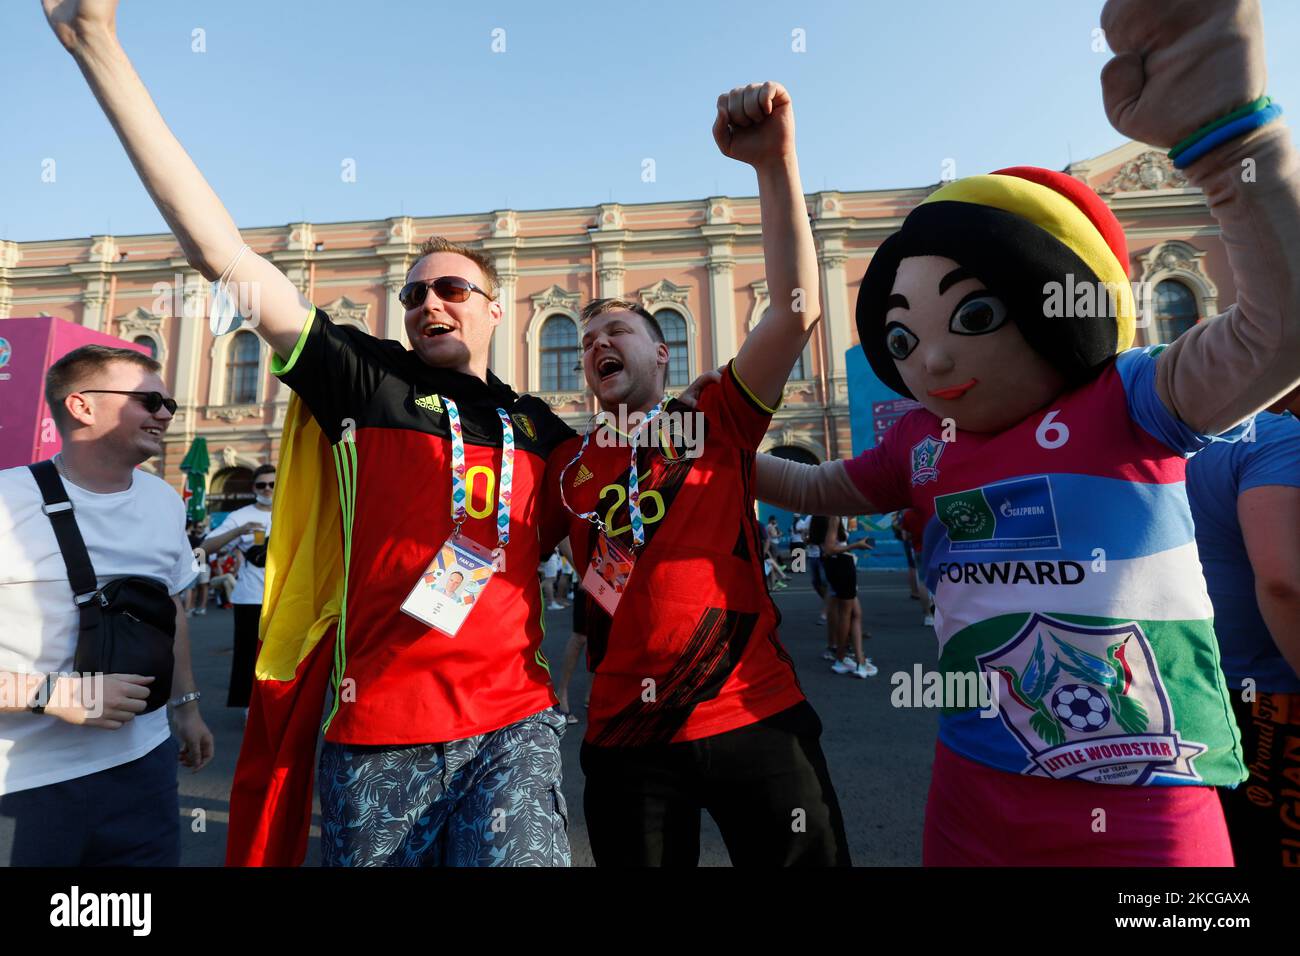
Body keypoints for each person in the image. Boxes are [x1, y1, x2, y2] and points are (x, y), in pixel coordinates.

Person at [755, 0, 1299, 864]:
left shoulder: (1131, 399)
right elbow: (820, 487)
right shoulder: (924, 442)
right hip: (972, 784)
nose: (931, 363)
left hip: (1150, 794)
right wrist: (712, 442)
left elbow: (1280, 332)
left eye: (970, 315)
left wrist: (1230, 145)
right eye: (903, 340)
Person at [42, 0, 581, 867]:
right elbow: (224, 256)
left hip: (513, 725)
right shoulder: (367, 381)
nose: (428, 301)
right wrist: (95, 45)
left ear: (493, 305)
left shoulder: (540, 428)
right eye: (412, 294)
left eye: (448, 286)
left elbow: (657, 494)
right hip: (378, 731)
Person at [542, 82, 850, 866]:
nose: (596, 344)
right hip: (625, 738)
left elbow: (792, 311)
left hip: (753, 711)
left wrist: (775, 163)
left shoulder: (712, 414)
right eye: (584, 342)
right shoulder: (568, 466)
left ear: (661, 354)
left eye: (617, 330)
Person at [0, 344, 214, 865]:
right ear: (82, 405)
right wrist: (52, 694)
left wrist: (185, 708)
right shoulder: (6, 500)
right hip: (25, 780)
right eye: (149, 399)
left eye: (169, 403)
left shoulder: (164, 499)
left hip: (146, 766)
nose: (164, 412)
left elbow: (170, 608)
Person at [1186, 396, 1300, 867]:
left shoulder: (1185, 436)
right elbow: (1282, 583)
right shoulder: (1282, 438)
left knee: (1228, 841)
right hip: (1274, 686)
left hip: (1193, 679)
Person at [202, 463, 274, 715]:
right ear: (254, 487)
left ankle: (277, 704)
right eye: (262, 484)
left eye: (273, 484)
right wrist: (239, 531)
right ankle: (249, 706)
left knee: (284, 655)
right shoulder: (240, 516)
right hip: (250, 598)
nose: (267, 489)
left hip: (285, 598)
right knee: (247, 656)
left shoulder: (292, 512)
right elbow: (206, 546)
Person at [812, 515, 876, 678]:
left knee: (855, 614)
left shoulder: (819, 515)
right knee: (847, 615)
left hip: (835, 566)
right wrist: (856, 545)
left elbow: (824, 547)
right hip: (842, 566)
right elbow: (830, 548)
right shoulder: (834, 516)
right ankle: (850, 660)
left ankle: (849, 658)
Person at [183, 518, 209, 616]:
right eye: (198, 526)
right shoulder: (194, 539)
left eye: (201, 527)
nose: (199, 528)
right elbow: (200, 552)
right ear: (191, 527)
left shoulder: (182, 538)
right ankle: (190, 608)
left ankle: (192, 608)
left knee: (195, 587)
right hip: (197, 564)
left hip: (192, 565)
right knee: (193, 588)